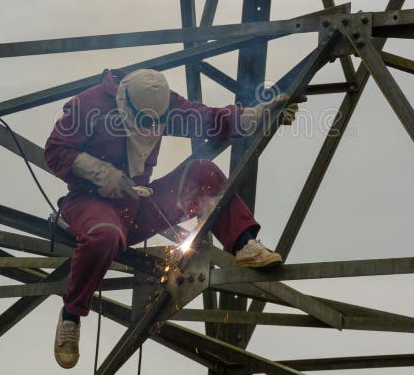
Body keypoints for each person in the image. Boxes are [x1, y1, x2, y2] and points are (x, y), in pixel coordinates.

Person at [44, 68, 301, 369]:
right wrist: (103, 174)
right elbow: (55, 151)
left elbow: (210, 120)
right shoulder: (88, 106)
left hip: (137, 204)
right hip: (90, 203)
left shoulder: (164, 106)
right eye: (146, 122)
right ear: (124, 103)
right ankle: (71, 316)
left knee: (202, 173)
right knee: (105, 235)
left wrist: (259, 116)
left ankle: (244, 243)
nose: (152, 128)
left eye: (158, 121)